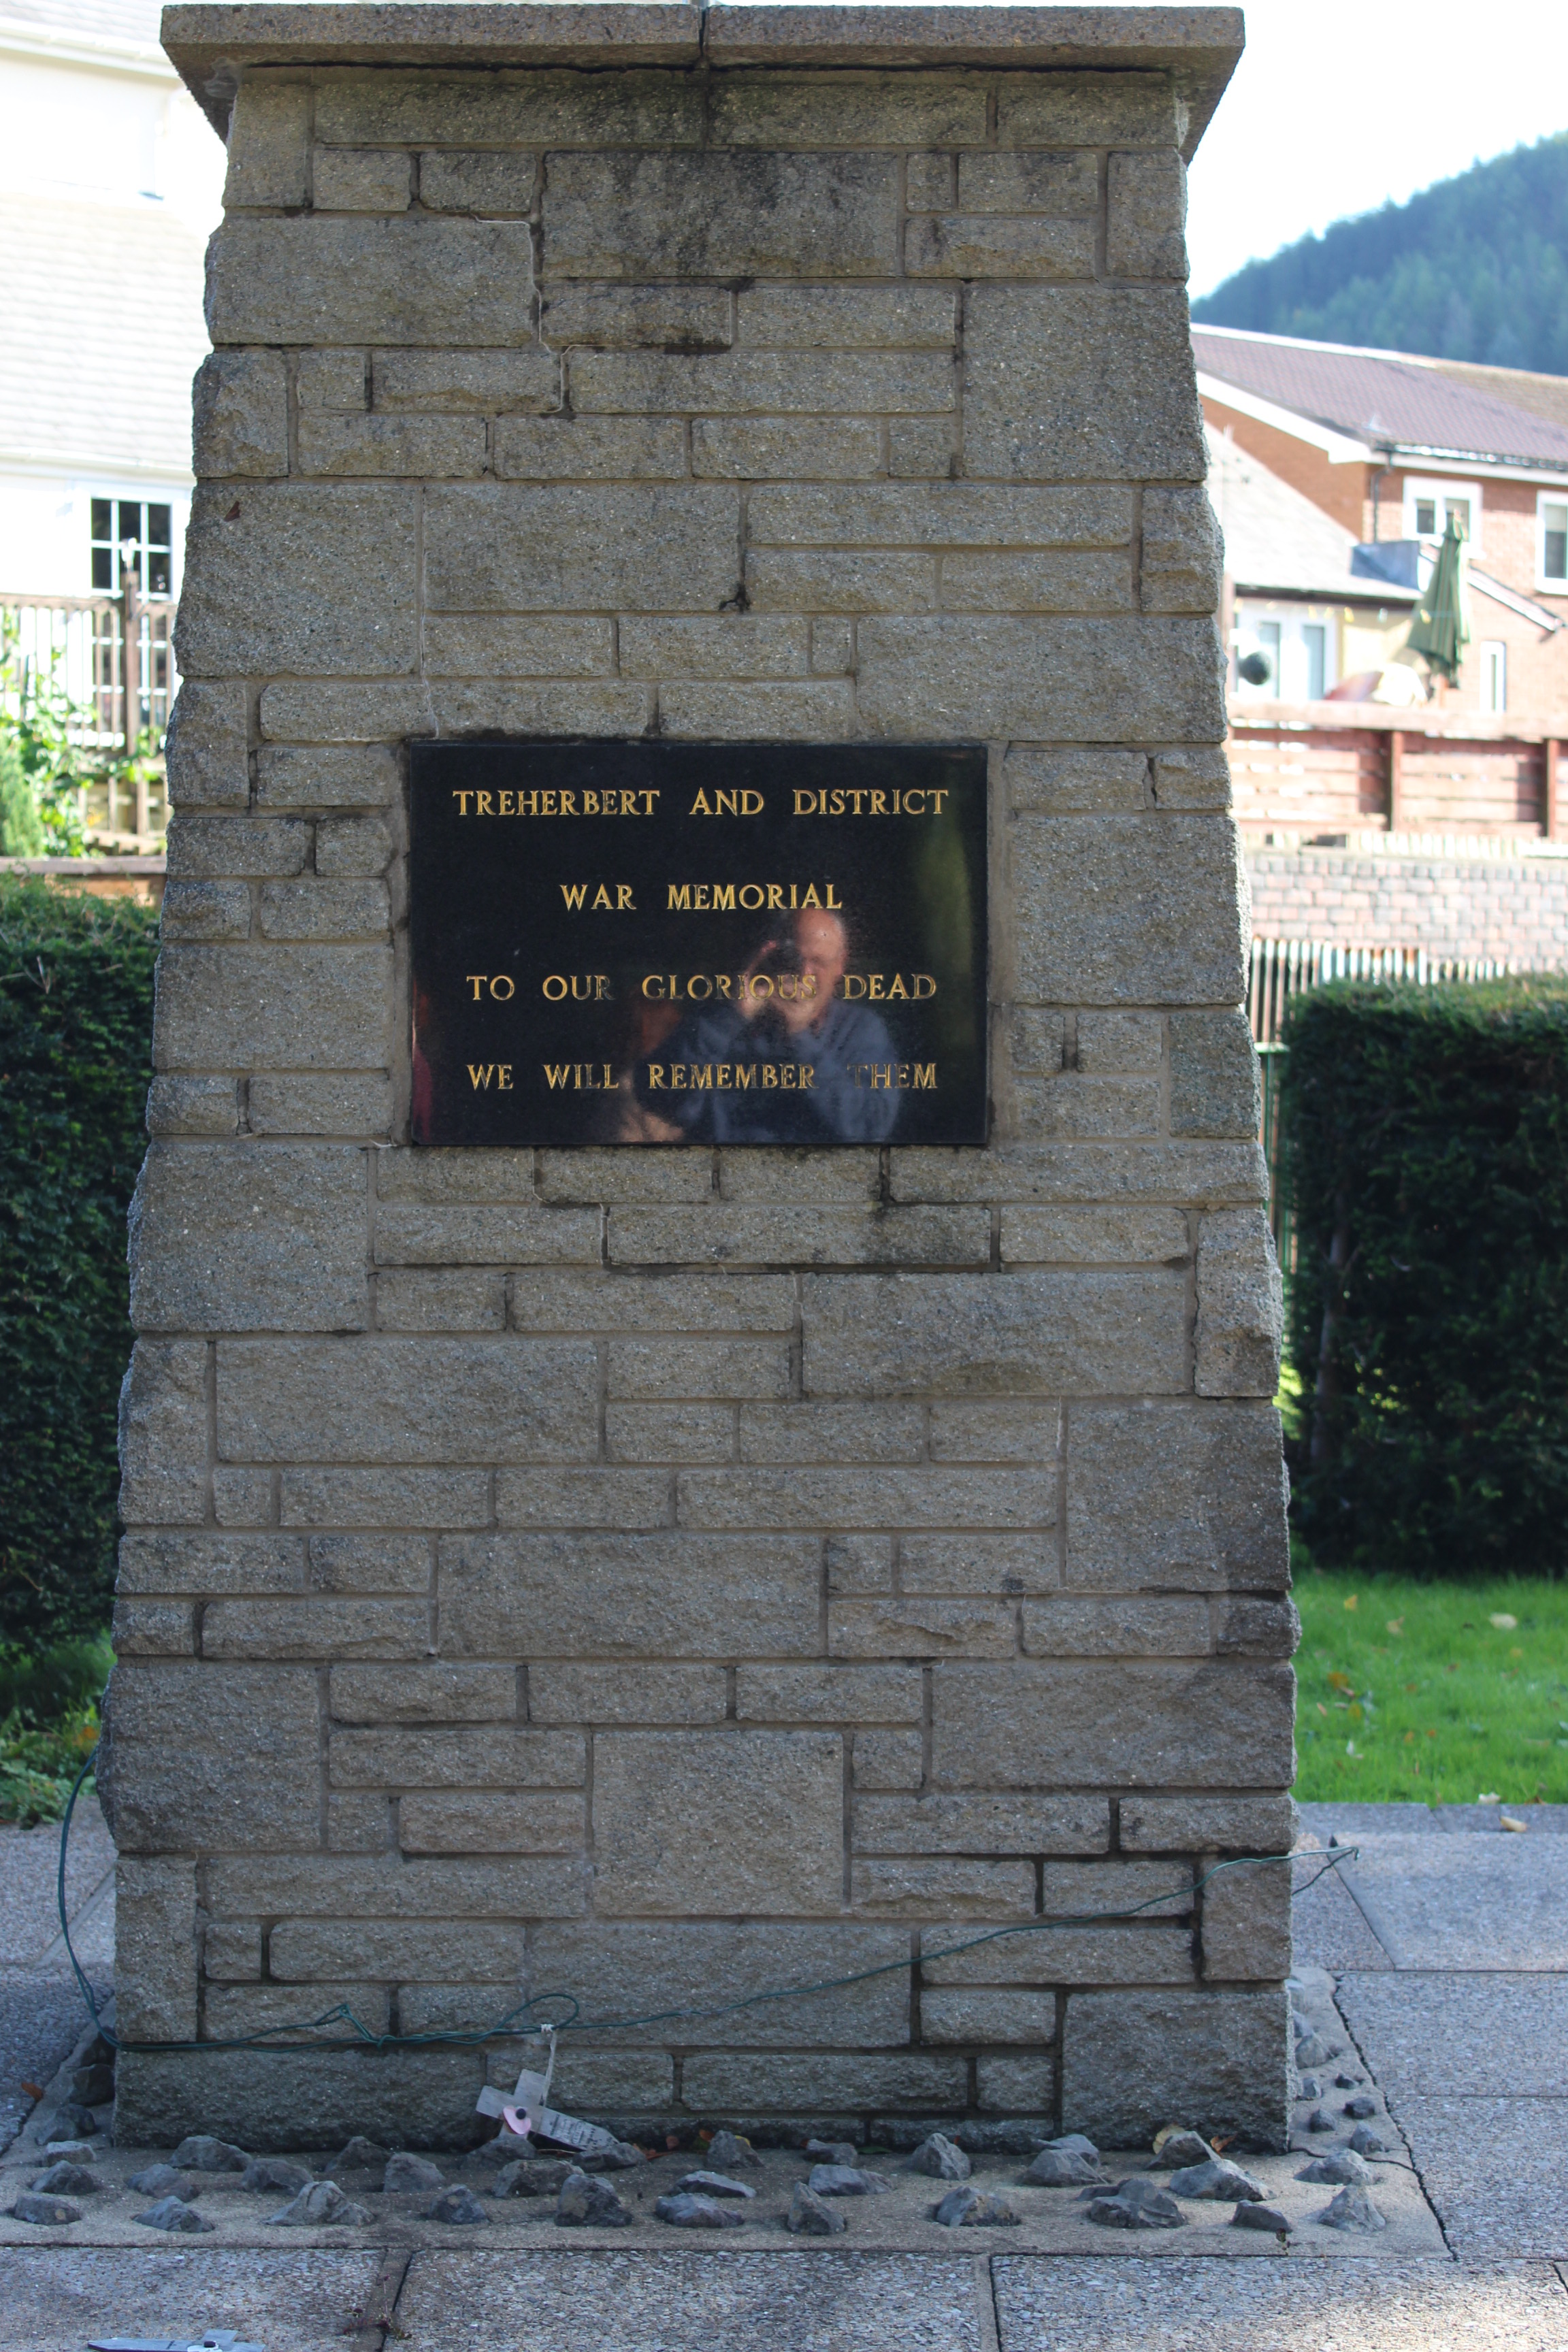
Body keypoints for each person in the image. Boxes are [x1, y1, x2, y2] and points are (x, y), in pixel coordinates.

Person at [630, 907, 904, 1144]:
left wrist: (799, 1038)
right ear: (771, 955)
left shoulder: (861, 1030)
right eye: (794, 960)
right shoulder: (727, 1020)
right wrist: (733, 1015)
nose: (804, 974)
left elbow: (870, 1128)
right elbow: (660, 1098)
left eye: (818, 963)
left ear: (840, 965)